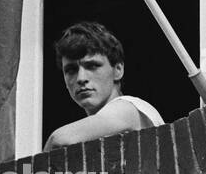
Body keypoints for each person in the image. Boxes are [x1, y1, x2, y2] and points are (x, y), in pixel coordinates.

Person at [44, 21, 164, 151]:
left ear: (118, 70)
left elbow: (59, 139)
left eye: (92, 66)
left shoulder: (130, 107)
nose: (81, 78)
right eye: (71, 70)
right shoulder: (91, 135)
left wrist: (37, 167)